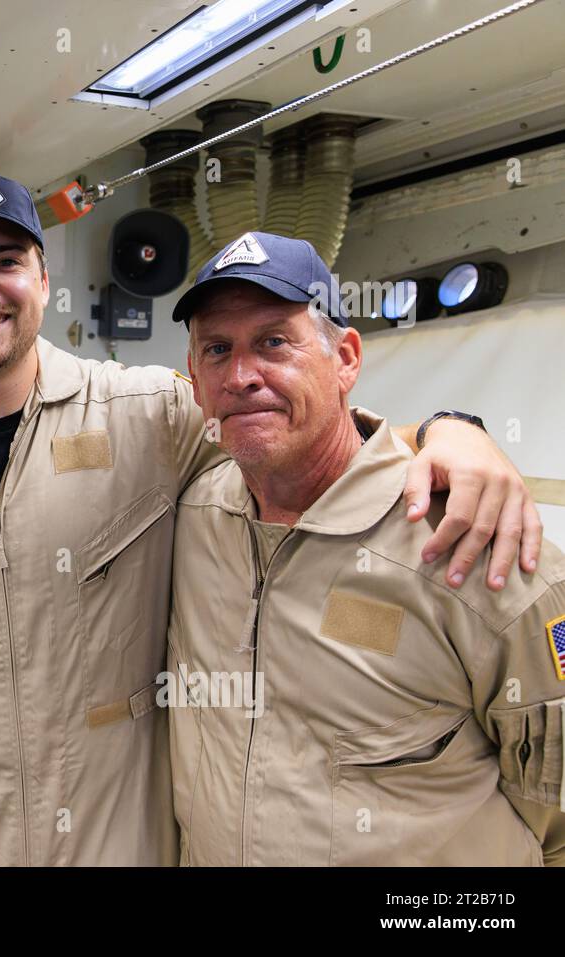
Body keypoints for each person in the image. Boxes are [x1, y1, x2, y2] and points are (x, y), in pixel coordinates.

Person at [0, 172, 543, 866]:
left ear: (45, 280)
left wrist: (457, 430)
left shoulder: (148, 415)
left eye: (6, 260)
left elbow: (301, 431)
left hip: (113, 848)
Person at [165, 232, 565, 865]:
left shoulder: (473, 543)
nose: (241, 376)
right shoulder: (192, 517)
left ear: (346, 359)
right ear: (193, 380)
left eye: (274, 341)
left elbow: (556, 807)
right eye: (218, 350)